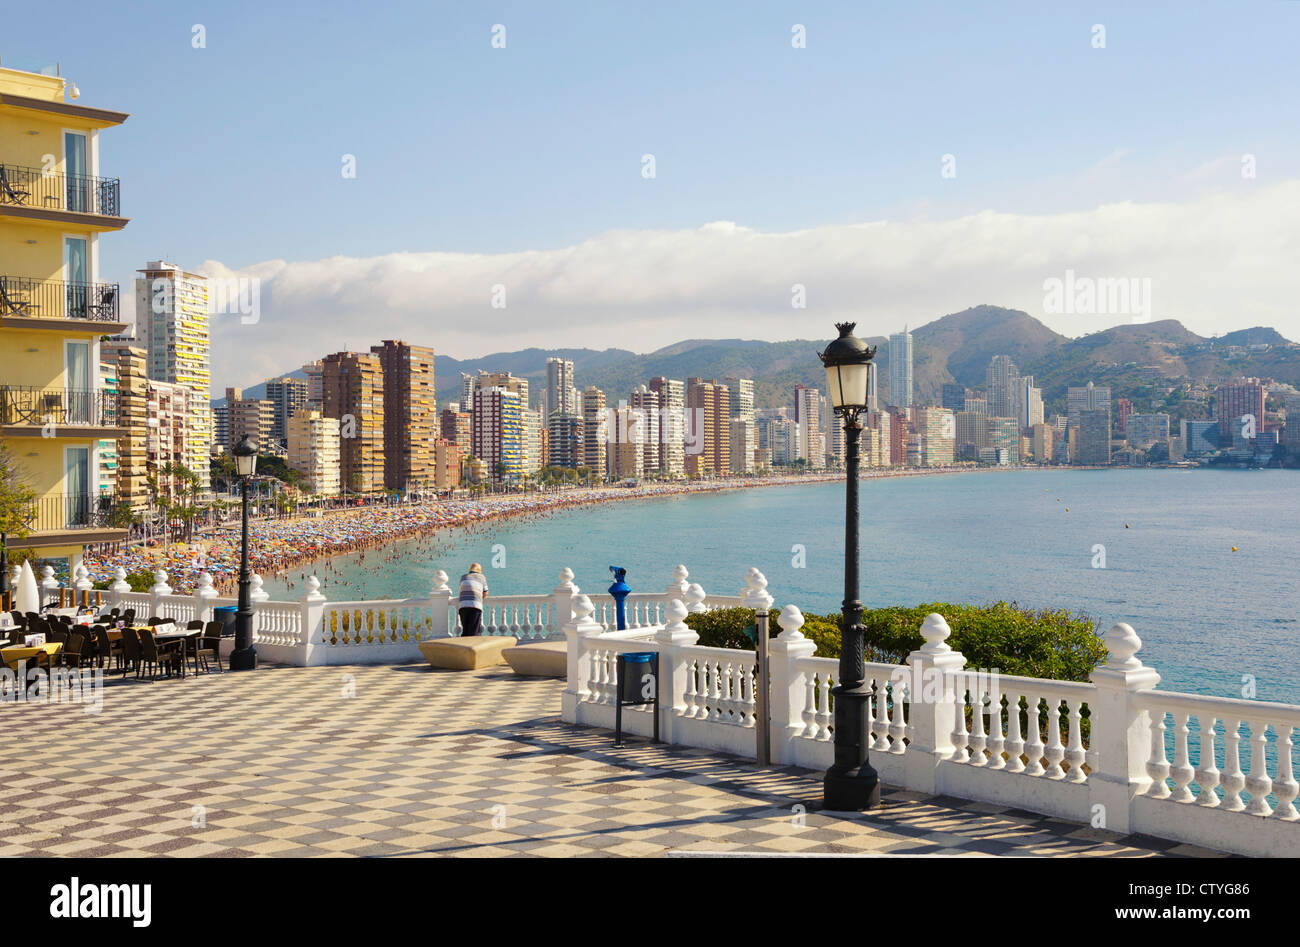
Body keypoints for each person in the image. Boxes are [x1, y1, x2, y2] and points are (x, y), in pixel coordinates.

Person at [458, 563, 489, 636]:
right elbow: (485, 592)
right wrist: (478, 598)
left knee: (465, 630)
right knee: (474, 631)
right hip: (475, 605)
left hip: (463, 606)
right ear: (479, 570)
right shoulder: (482, 577)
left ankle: (463, 646)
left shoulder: (463, 577)